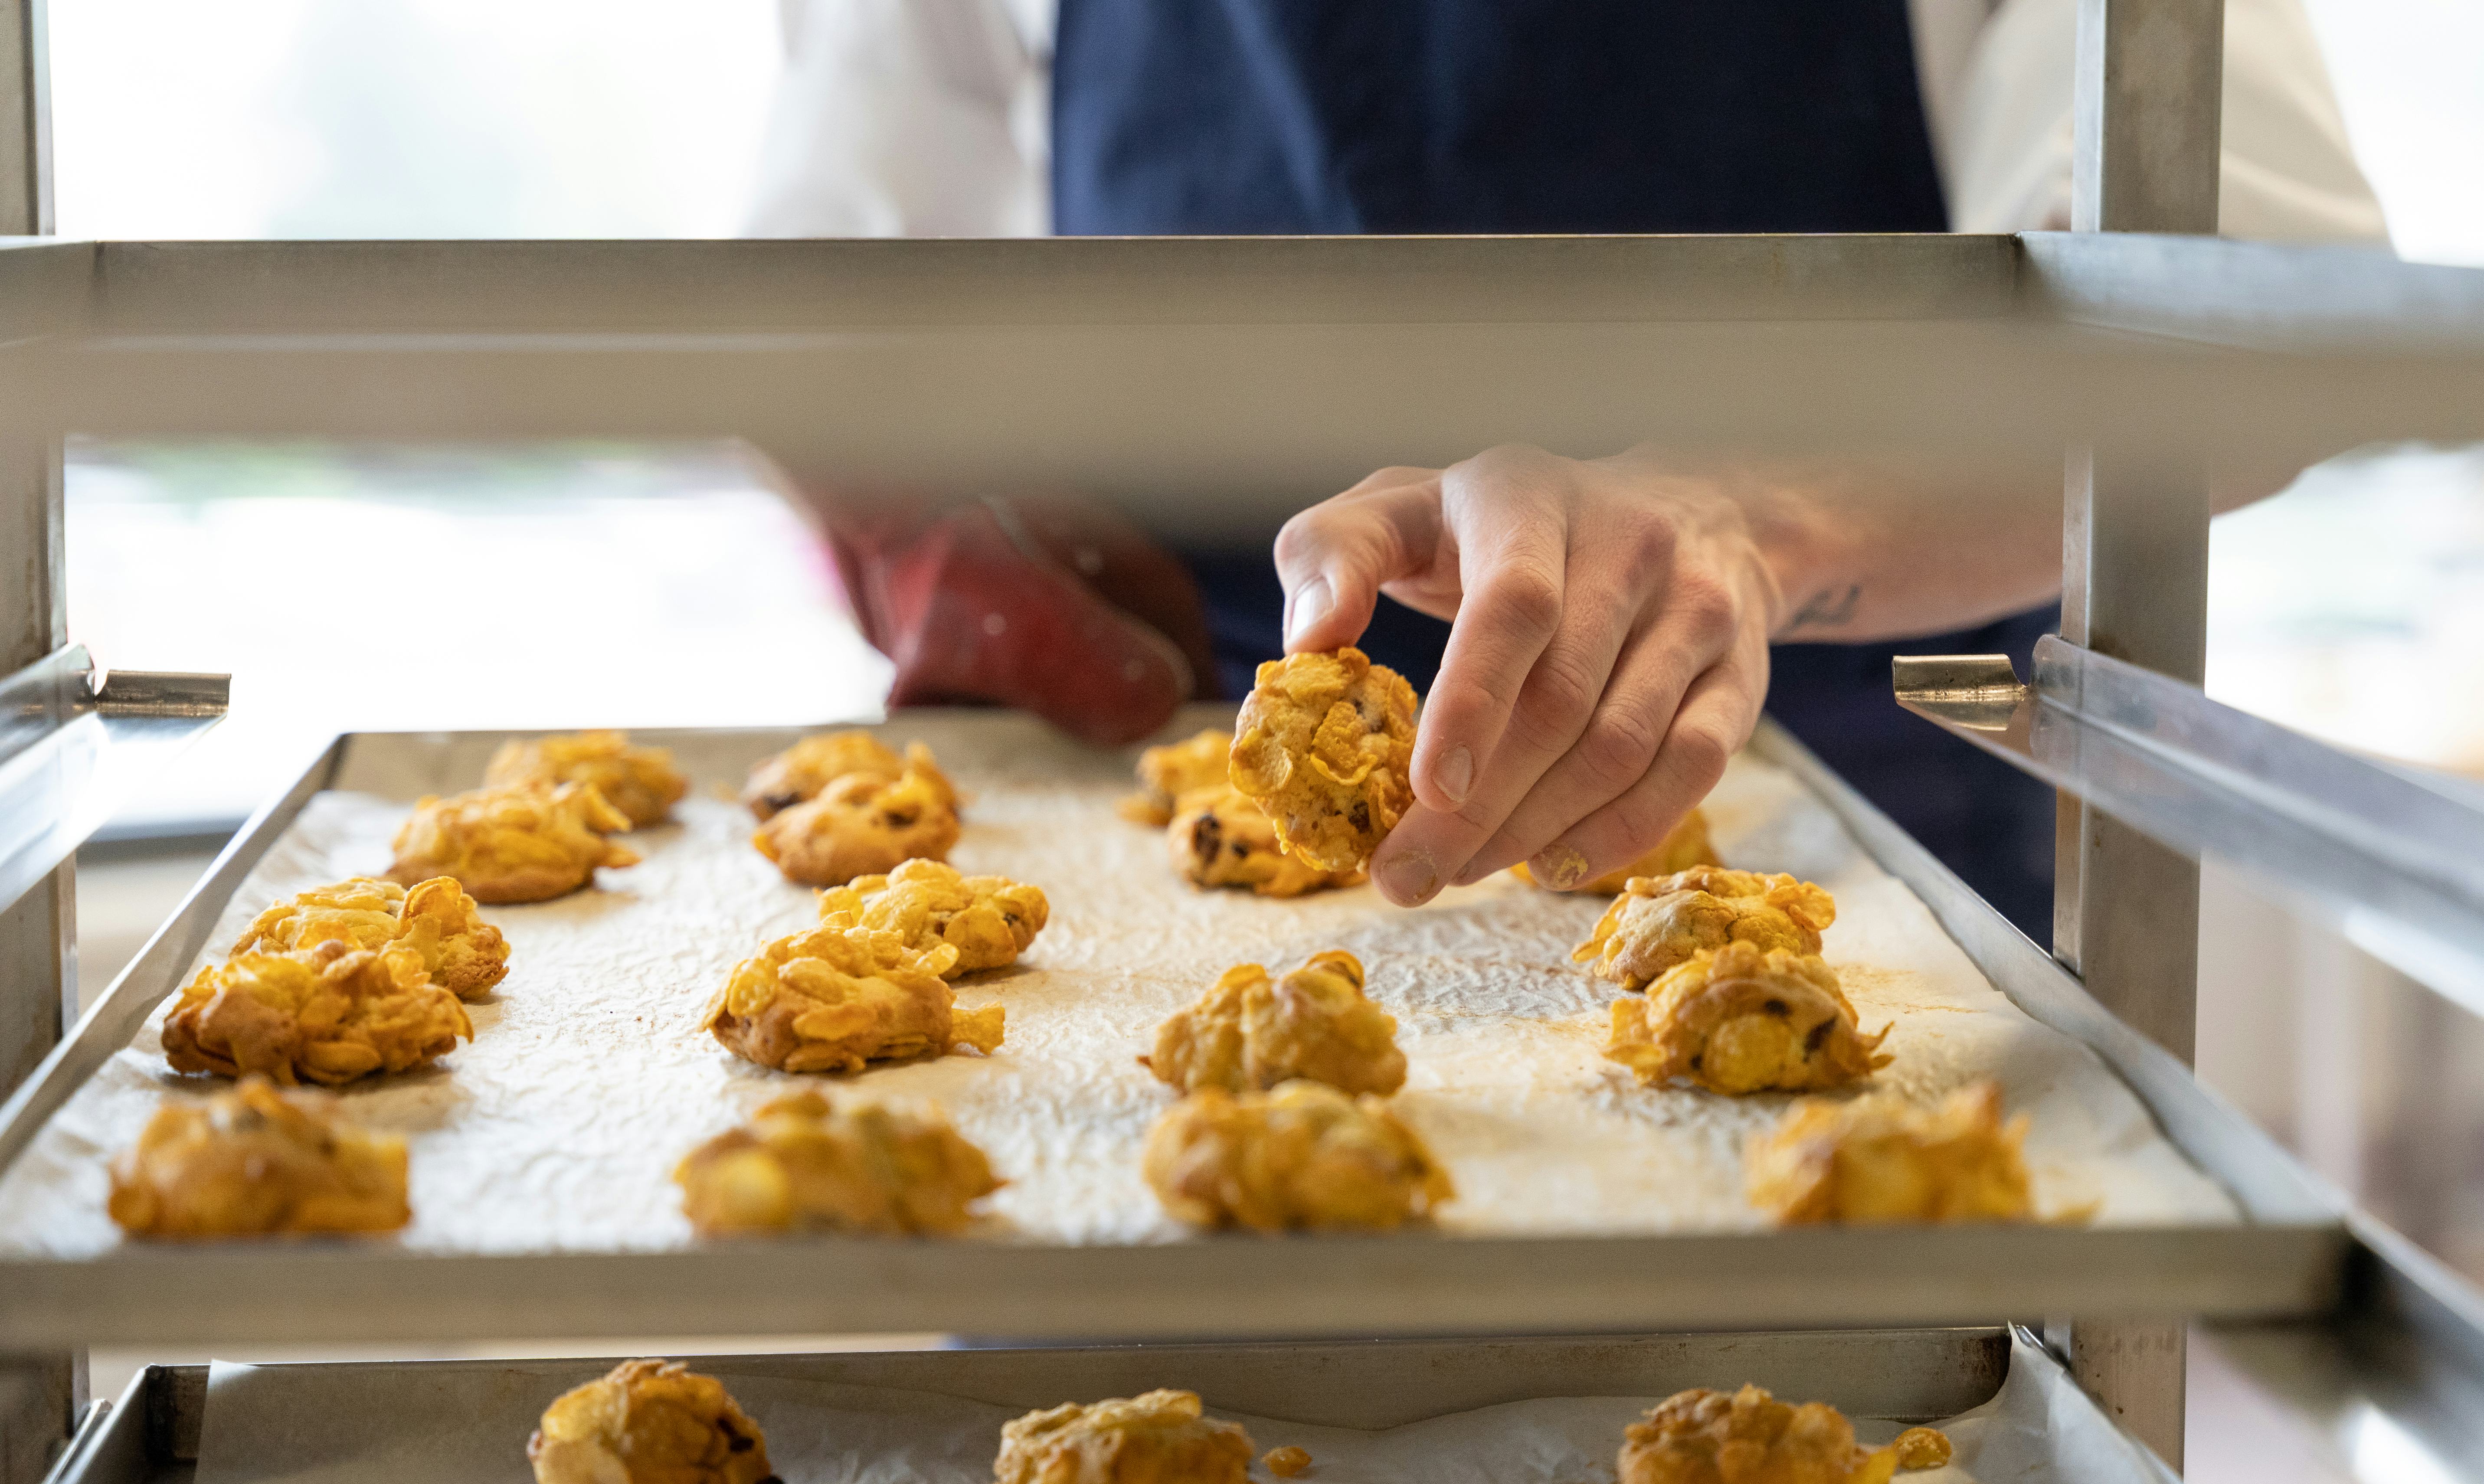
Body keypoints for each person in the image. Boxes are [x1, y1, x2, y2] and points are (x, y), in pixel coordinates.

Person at [745, 0, 2386, 934]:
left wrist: (1746, 520)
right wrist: (915, 524)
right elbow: (831, 291)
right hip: (1172, 883)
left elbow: (2242, 314)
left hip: (1815, 841)